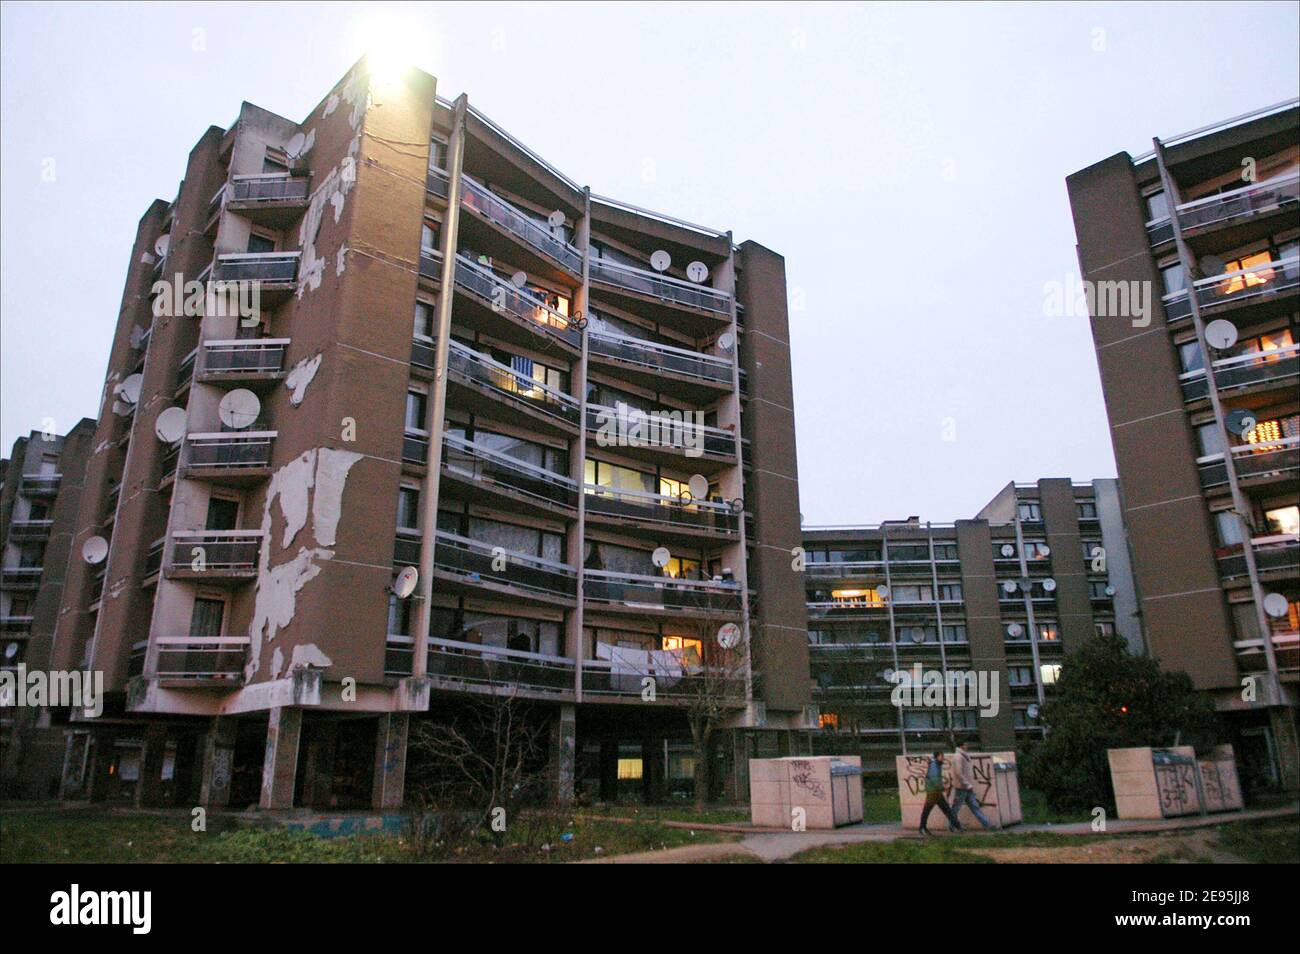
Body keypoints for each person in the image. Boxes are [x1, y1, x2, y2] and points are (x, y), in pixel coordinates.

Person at [949, 741, 995, 830]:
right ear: (961, 746)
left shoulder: (962, 756)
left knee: (973, 806)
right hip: (962, 787)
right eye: (966, 744)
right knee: (957, 807)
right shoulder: (958, 757)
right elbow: (959, 772)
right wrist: (966, 784)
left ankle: (987, 825)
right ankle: (952, 825)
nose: (967, 746)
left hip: (966, 787)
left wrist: (968, 785)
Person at [918, 751, 962, 834]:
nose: (943, 758)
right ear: (937, 757)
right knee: (929, 810)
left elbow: (936, 778)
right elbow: (934, 778)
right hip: (933, 792)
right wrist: (942, 787)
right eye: (941, 756)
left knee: (946, 809)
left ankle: (958, 826)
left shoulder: (937, 765)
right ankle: (922, 828)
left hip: (936, 792)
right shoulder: (934, 765)